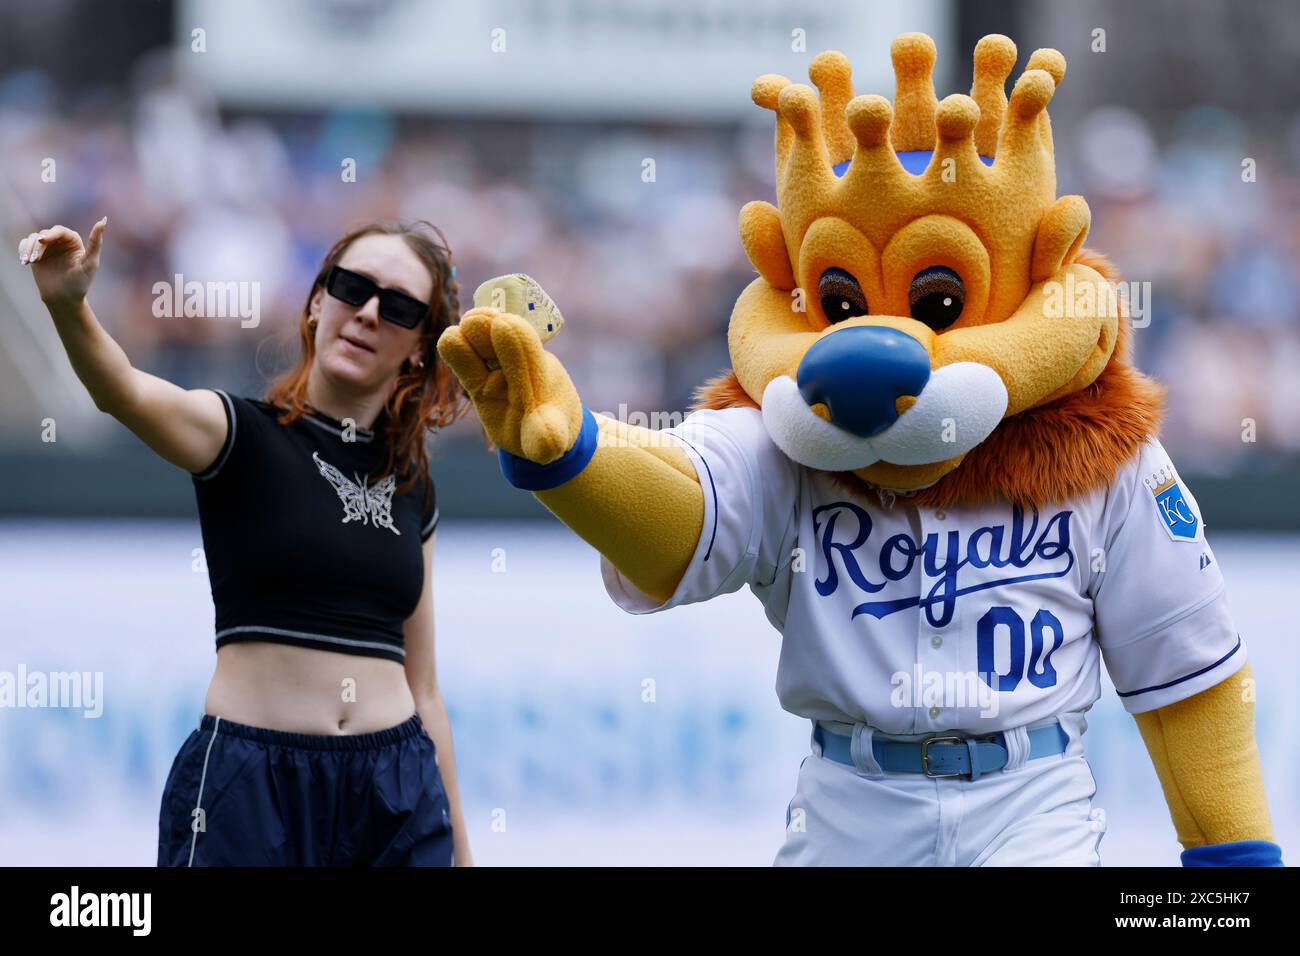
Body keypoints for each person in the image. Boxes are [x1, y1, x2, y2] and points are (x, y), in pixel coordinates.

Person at [19, 217, 474, 866]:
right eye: (351, 287)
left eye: (399, 306)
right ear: (318, 303)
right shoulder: (238, 432)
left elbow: (424, 688)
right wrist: (68, 305)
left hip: (395, 790)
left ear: (422, 347)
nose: (369, 313)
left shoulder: (412, 485)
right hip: (251, 785)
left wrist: (461, 850)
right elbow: (119, 390)